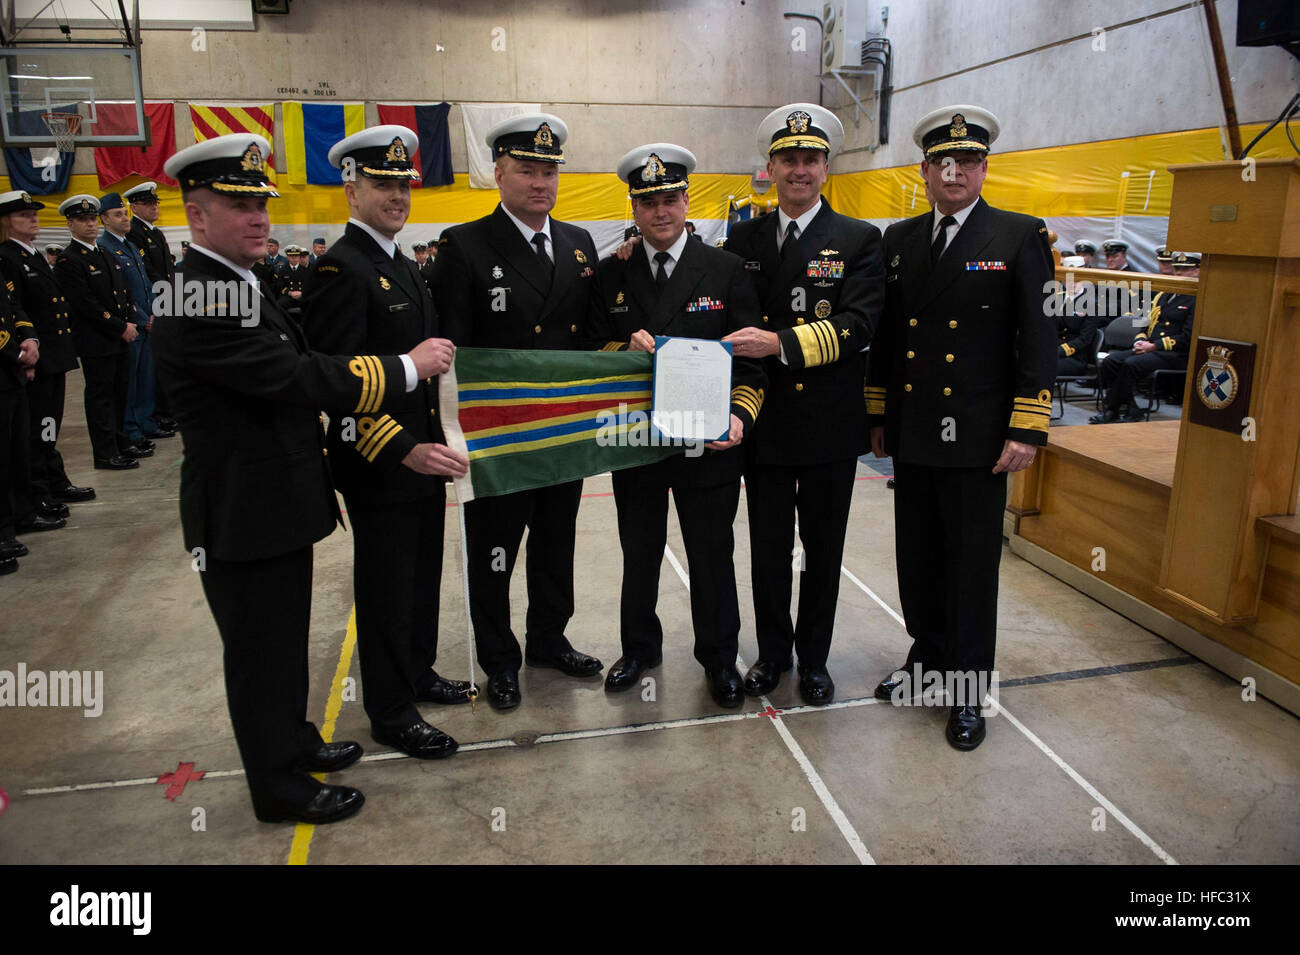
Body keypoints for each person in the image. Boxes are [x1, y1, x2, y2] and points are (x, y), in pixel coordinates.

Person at [152, 132, 456, 824]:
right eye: (238, 206)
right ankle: (279, 786)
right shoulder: (193, 297)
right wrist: (407, 367)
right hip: (241, 508)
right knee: (260, 652)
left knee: (282, 641)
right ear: (197, 216)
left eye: (260, 203)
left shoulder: (234, 281)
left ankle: (292, 742)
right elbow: (298, 375)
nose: (259, 217)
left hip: (275, 503)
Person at [866, 105, 1055, 751]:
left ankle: (968, 690)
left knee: (971, 566)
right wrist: (878, 414)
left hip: (980, 436)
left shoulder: (1019, 235)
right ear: (924, 169)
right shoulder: (901, 240)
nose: (955, 171)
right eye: (943, 162)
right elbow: (890, 336)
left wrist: (1027, 425)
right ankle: (927, 660)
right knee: (917, 558)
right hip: (916, 430)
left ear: (982, 168)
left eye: (968, 161)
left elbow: (1039, 335)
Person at [302, 124, 469, 760]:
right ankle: (391, 711)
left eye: (403, 183)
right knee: (387, 589)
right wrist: (404, 449)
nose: (397, 194)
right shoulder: (340, 269)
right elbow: (335, 387)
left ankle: (417, 673)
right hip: (382, 463)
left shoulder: (400, 262)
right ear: (352, 187)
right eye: (382, 183)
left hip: (424, 459)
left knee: (421, 579)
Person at [430, 112, 603, 710]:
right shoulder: (465, 245)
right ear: (497, 172)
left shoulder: (580, 244)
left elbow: (593, 333)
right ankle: (499, 659)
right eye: (526, 169)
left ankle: (548, 639)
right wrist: (451, 431)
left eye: (549, 170)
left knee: (557, 543)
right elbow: (449, 350)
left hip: (562, 432)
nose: (540, 182)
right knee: (495, 553)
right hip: (497, 437)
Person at [588, 142, 766, 708]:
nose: (660, 211)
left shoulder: (727, 269)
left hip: (707, 442)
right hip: (638, 437)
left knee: (712, 554)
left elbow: (752, 359)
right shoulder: (609, 274)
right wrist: (626, 347)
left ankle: (719, 658)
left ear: (687, 201)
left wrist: (739, 417)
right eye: (648, 202)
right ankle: (639, 648)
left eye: (670, 199)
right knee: (638, 550)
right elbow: (592, 350)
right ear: (634, 209)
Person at [721, 103, 885, 705]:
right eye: (788, 159)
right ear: (769, 167)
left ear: (825, 168)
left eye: (811, 159)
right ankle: (771, 653)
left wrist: (780, 342)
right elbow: (715, 304)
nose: (800, 169)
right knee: (766, 548)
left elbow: (860, 324)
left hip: (828, 425)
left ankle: (814, 660)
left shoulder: (859, 240)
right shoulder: (743, 238)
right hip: (761, 422)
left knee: (823, 551)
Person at [0, 191, 93, 522]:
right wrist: (27, 347)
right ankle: (37, 491)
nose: (33, 218)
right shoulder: (8, 257)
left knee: (49, 424)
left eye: (34, 213)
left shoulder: (32, 254)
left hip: (53, 354)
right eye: (24, 215)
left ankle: (54, 479)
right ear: (6, 221)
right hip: (35, 355)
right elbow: (14, 310)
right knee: (37, 427)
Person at [54, 195, 142, 471]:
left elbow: (123, 294)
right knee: (100, 397)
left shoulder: (102, 253)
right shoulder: (69, 260)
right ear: (71, 225)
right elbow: (85, 304)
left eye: (92, 219)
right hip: (97, 339)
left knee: (119, 393)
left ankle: (119, 441)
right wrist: (120, 326)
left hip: (119, 336)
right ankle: (105, 453)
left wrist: (129, 321)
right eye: (83, 220)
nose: (90, 225)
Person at [1089, 252, 1198, 423]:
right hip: (1151, 348)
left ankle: (1112, 409)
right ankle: (1131, 408)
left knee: (1130, 364)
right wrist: (1140, 340)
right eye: (1177, 269)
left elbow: (1187, 337)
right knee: (1111, 361)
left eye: (1184, 270)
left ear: (1197, 271)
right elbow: (1146, 322)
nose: (1178, 274)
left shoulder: (1196, 299)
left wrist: (1153, 346)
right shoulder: (1165, 295)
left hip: (1175, 353)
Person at [98, 193, 167, 451]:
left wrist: (154, 312)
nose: (124, 218)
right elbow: (121, 290)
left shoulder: (128, 245)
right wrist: (140, 318)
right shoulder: (106, 247)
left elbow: (146, 284)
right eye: (117, 214)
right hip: (130, 325)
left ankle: (145, 423)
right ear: (104, 219)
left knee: (145, 379)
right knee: (131, 383)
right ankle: (131, 429)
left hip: (147, 320)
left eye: (125, 213)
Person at [0, 239, 50, 574]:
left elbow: (11, 307)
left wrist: (29, 340)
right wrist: (15, 353)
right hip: (5, 365)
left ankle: (12, 522)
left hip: (10, 377)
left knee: (14, 453)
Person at [124, 181, 177, 432]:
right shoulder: (134, 232)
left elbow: (166, 268)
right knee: (152, 363)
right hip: (153, 299)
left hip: (165, 297)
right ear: (134, 206)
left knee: (165, 359)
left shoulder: (154, 231)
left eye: (155, 203)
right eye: (148, 203)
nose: (154, 207)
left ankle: (166, 410)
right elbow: (148, 272)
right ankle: (156, 413)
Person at [1055, 254, 1103, 375]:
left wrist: (1060, 350)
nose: (1073, 282)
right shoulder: (1057, 299)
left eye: (1077, 278)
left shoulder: (1091, 304)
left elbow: (1084, 339)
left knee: (1044, 366)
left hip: (1074, 356)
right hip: (1052, 349)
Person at [277, 244, 310, 319]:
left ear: (299, 257)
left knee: (312, 304)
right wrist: (290, 292)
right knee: (278, 305)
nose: (294, 258)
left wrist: (302, 293)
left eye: (296, 256)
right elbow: (279, 285)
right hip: (288, 296)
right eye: (291, 256)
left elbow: (309, 285)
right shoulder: (283, 270)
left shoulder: (306, 270)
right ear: (288, 257)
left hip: (302, 295)